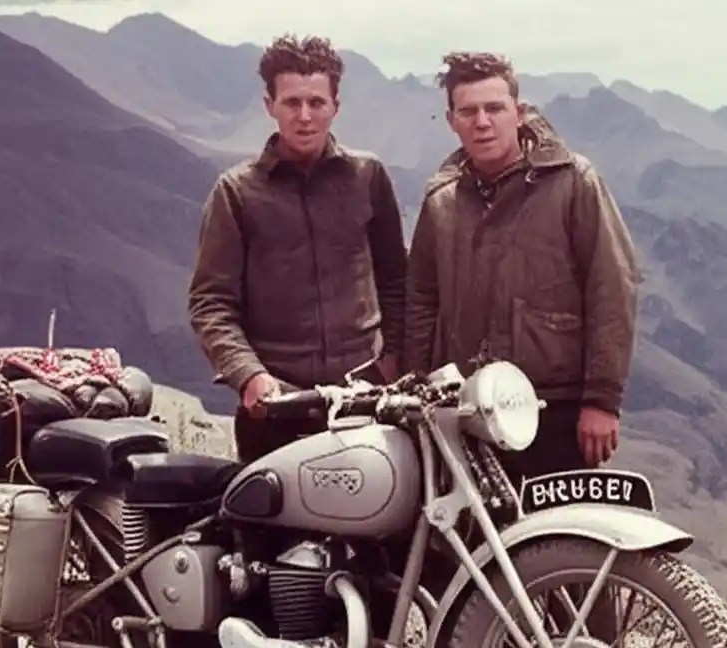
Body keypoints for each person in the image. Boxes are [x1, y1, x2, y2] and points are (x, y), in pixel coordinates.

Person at [404, 51, 641, 482]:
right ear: (451, 119)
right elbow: (421, 300)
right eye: (468, 111)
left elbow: (612, 289)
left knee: (562, 543)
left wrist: (602, 400)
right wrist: (417, 389)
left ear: (519, 111)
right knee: (470, 544)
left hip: (555, 409)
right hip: (467, 411)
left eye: (494, 108)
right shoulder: (441, 201)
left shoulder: (573, 182)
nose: (482, 121)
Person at [188, 34, 407, 464]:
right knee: (269, 529)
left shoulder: (368, 178)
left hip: (364, 401)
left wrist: (393, 361)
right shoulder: (237, 193)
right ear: (269, 104)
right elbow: (210, 302)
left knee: (379, 525)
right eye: (291, 103)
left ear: (335, 106)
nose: (305, 116)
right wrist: (248, 375)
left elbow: (397, 278)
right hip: (274, 407)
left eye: (316, 102)